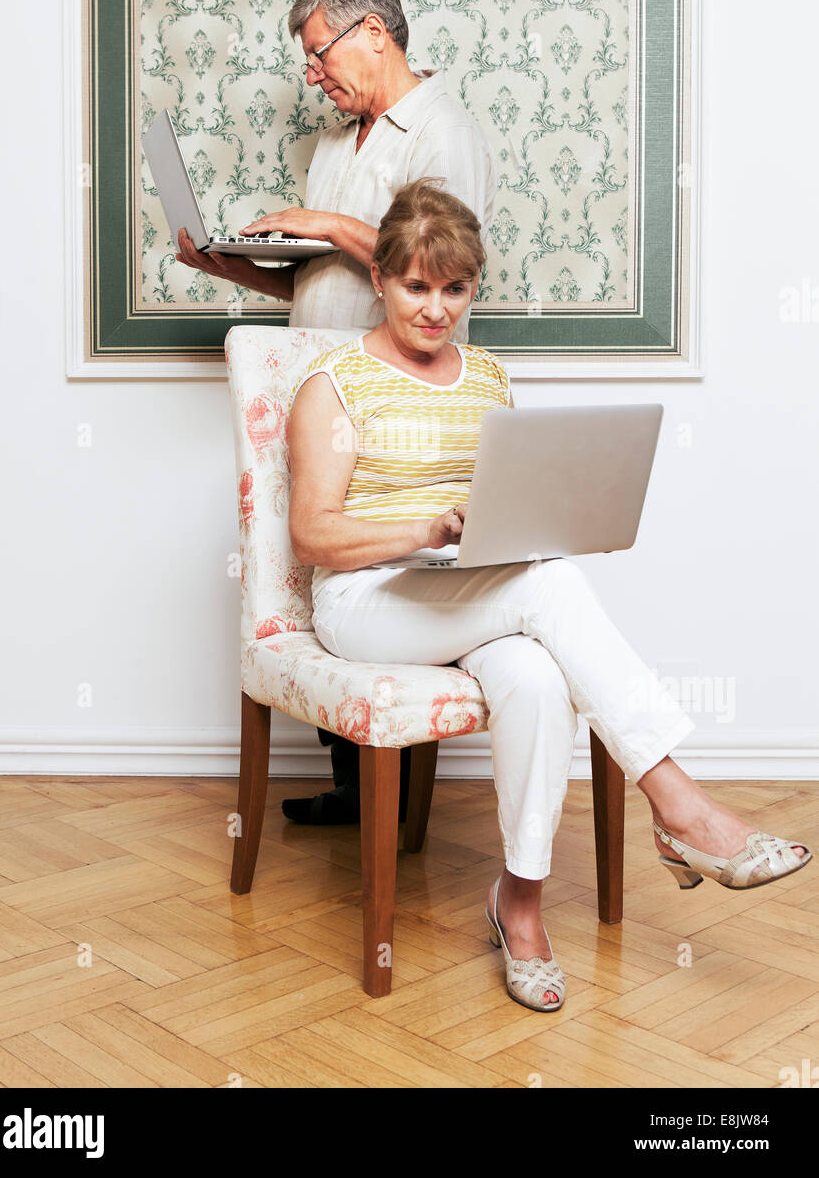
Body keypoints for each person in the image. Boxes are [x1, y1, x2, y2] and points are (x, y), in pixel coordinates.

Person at [286, 177, 812, 1011]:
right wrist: (423, 529)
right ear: (381, 279)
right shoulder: (332, 383)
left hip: (468, 590)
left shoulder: (489, 378)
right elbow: (311, 536)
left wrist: (534, 524)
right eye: (416, 287)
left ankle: (519, 908)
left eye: (454, 289)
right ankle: (680, 805)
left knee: (535, 677)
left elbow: (509, 509)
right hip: (367, 600)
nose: (435, 309)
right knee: (549, 588)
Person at [176, 0, 496, 826]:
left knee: (382, 563)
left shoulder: (443, 132)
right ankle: (361, 791)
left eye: (320, 55)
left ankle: (399, 800)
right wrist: (228, 265)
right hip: (319, 390)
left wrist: (323, 224)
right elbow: (321, 285)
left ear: (374, 34)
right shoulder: (332, 147)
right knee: (315, 560)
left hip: (396, 400)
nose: (313, 76)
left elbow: (435, 269)